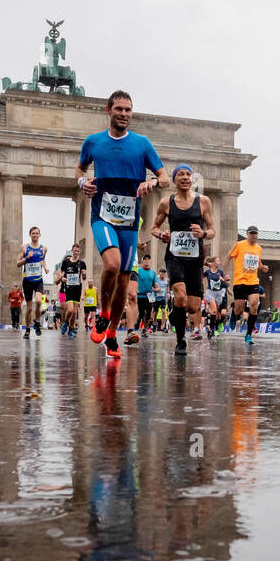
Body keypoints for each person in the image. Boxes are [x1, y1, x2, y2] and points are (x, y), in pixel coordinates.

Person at [78, 89, 169, 360]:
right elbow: (80, 169)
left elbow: (165, 178)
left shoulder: (142, 144)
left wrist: (152, 181)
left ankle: (112, 335)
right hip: (102, 216)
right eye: (119, 109)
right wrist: (82, 183)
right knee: (112, 264)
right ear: (108, 110)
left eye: (128, 110)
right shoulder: (93, 142)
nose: (124, 114)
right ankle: (103, 314)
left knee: (122, 280)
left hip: (129, 222)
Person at [150, 164, 216, 355]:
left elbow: (212, 231)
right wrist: (161, 235)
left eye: (188, 174)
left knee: (193, 307)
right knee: (179, 295)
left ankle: (175, 314)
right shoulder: (166, 202)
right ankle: (180, 341)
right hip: (174, 256)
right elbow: (154, 227)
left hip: (195, 259)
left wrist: (203, 233)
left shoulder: (203, 201)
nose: (185, 177)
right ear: (175, 180)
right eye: (181, 174)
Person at [228, 225, 269, 345]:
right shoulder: (240, 245)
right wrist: (224, 273)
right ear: (247, 234)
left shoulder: (259, 249)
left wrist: (263, 268)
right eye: (251, 233)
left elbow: (258, 263)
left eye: (255, 233)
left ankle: (248, 335)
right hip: (240, 281)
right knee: (239, 309)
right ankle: (234, 314)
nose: (253, 236)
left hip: (253, 281)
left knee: (254, 306)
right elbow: (228, 256)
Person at [16, 226, 47, 339]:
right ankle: (28, 329)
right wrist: (26, 259)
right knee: (29, 309)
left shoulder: (44, 248)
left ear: (39, 235)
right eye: (33, 233)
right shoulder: (24, 248)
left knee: (39, 301)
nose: (35, 235)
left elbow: (42, 259)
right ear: (30, 235)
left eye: (36, 233)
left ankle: (37, 322)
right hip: (27, 281)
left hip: (38, 280)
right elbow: (18, 263)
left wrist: (45, 268)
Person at [54, 244, 87, 339]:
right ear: (72, 251)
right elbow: (61, 273)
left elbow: (84, 278)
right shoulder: (66, 262)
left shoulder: (82, 263)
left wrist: (84, 274)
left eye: (78, 251)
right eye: (74, 250)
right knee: (70, 310)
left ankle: (71, 329)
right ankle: (65, 323)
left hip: (77, 289)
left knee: (74, 312)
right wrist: (62, 278)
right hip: (67, 289)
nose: (76, 252)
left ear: (79, 252)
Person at [203, 256, 229, 337]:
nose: (219, 262)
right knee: (214, 310)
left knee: (217, 313)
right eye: (218, 261)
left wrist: (223, 280)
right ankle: (210, 330)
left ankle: (213, 328)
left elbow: (227, 284)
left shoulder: (220, 272)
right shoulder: (207, 272)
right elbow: (200, 275)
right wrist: (206, 262)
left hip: (219, 293)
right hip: (210, 292)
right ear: (213, 262)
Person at [132, 253, 156, 338]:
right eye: (145, 260)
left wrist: (156, 286)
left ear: (150, 261)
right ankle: (138, 321)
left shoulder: (153, 272)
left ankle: (144, 330)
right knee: (142, 313)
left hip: (150, 296)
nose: (146, 261)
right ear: (142, 261)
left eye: (148, 260)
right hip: (140, 295)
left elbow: (154, 284)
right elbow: (134, 281)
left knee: (149, 314)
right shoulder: (138, 271)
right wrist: (135, 289)